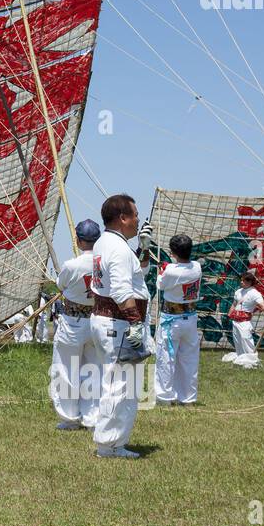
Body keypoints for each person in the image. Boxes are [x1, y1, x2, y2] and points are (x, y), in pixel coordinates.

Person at [88, 194, 152, 459]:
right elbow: (122, 289)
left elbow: (136, 275)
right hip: (120, 324)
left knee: (116, 382)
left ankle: (112, 440)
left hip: (108, 321)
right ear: (123, 218)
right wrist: (136, 324)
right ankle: (109, 444)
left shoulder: (107, 243)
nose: (138, 220)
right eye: (135, 215)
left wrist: (144, 246)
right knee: (121, 386)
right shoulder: (118, 248)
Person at [50, 219, 101, 430]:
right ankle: (92, 418)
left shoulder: (71, 265)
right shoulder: (104, 265)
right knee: (93, 371)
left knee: (66, 369)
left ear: (79, 241)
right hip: (97, 322)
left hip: (72, 323)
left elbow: (61, 285)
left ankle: (70, 418)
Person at [154, 234, 203, 406]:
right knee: (189, 359)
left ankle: (165, 397)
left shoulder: (171, 271)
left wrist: (162, 270)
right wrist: (169, 268)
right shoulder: (197, 267)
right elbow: (179, 270)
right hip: (190, 318)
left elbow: (161, 284)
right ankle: (188, 397)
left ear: (173, 251)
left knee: (166, 358)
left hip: (171, 320)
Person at [223, 271, 264, 369]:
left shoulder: (255, 293)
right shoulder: (238, 291)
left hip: (245, 322)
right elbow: (234, 304)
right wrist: (229, 314)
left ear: (249, 282)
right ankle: (241, 357)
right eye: (241, 280)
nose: (241, 282)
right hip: (235, 320)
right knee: (238, 341)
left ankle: (251, 359)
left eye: (243, 280)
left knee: (246, 340)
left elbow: (261, 304)